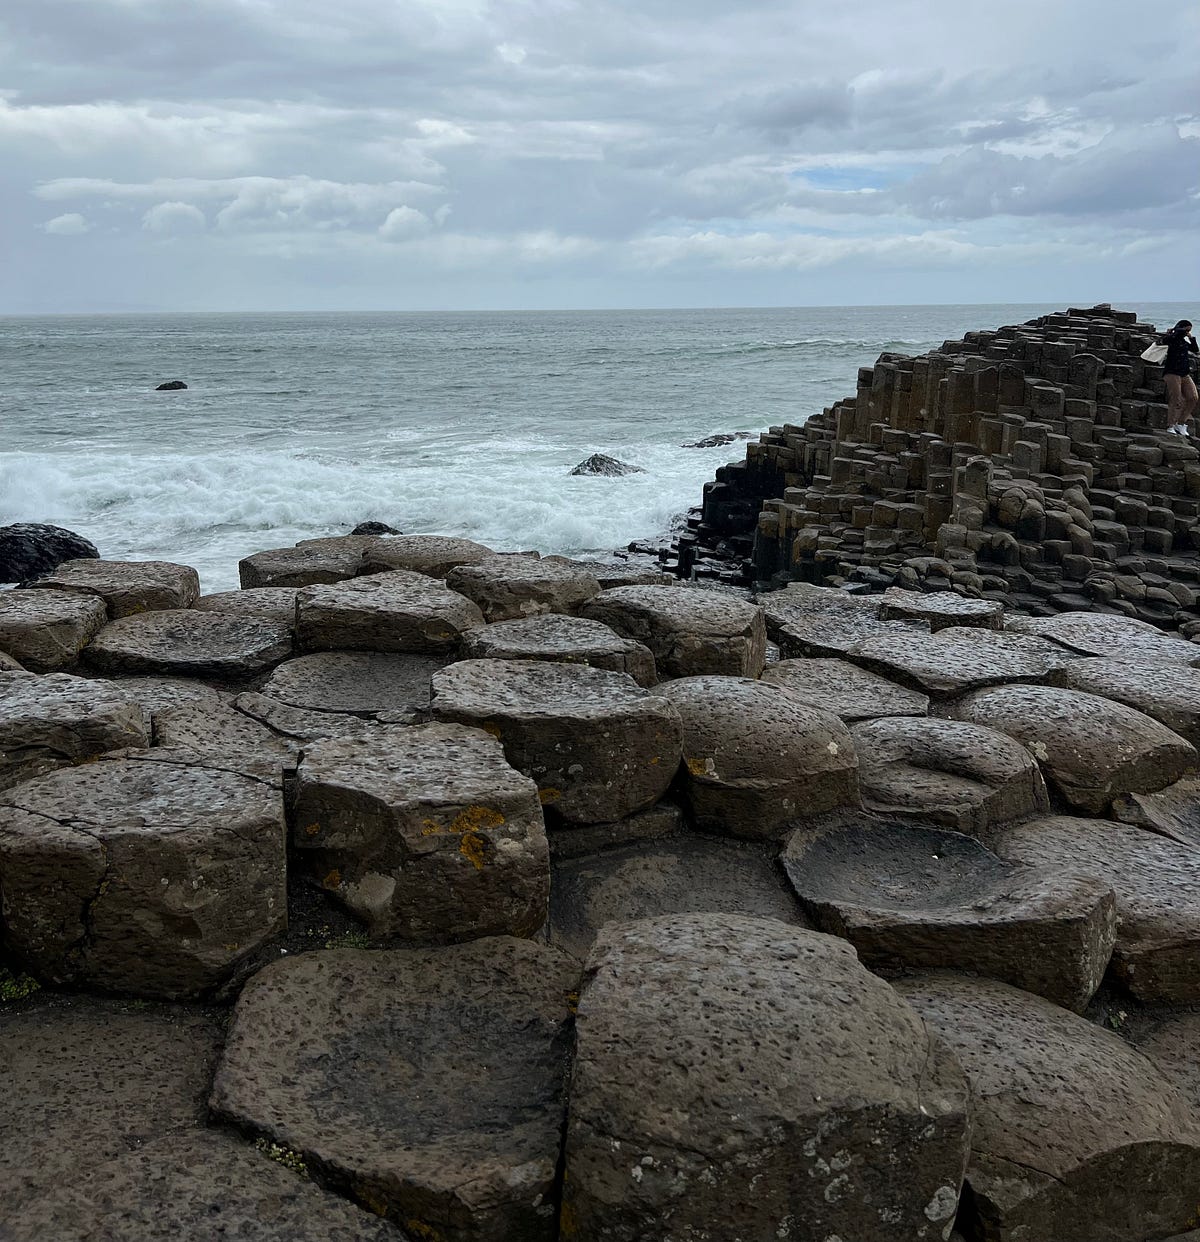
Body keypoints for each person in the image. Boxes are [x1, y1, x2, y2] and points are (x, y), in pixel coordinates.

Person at [1162, 319, 1198, 436]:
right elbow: (1161, 341)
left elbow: (1195, 349)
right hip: (1172, 372)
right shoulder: (1172, 339)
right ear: (1180, 328)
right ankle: (1170, 425)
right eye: (1186, 329)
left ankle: (1181, 423)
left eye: (1189, 330)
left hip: (1184, 373)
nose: (1187, 332)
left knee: (1193, 397)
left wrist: (1191, 338)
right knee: (1176, 398)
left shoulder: (1183, 342)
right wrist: (1172, 333)